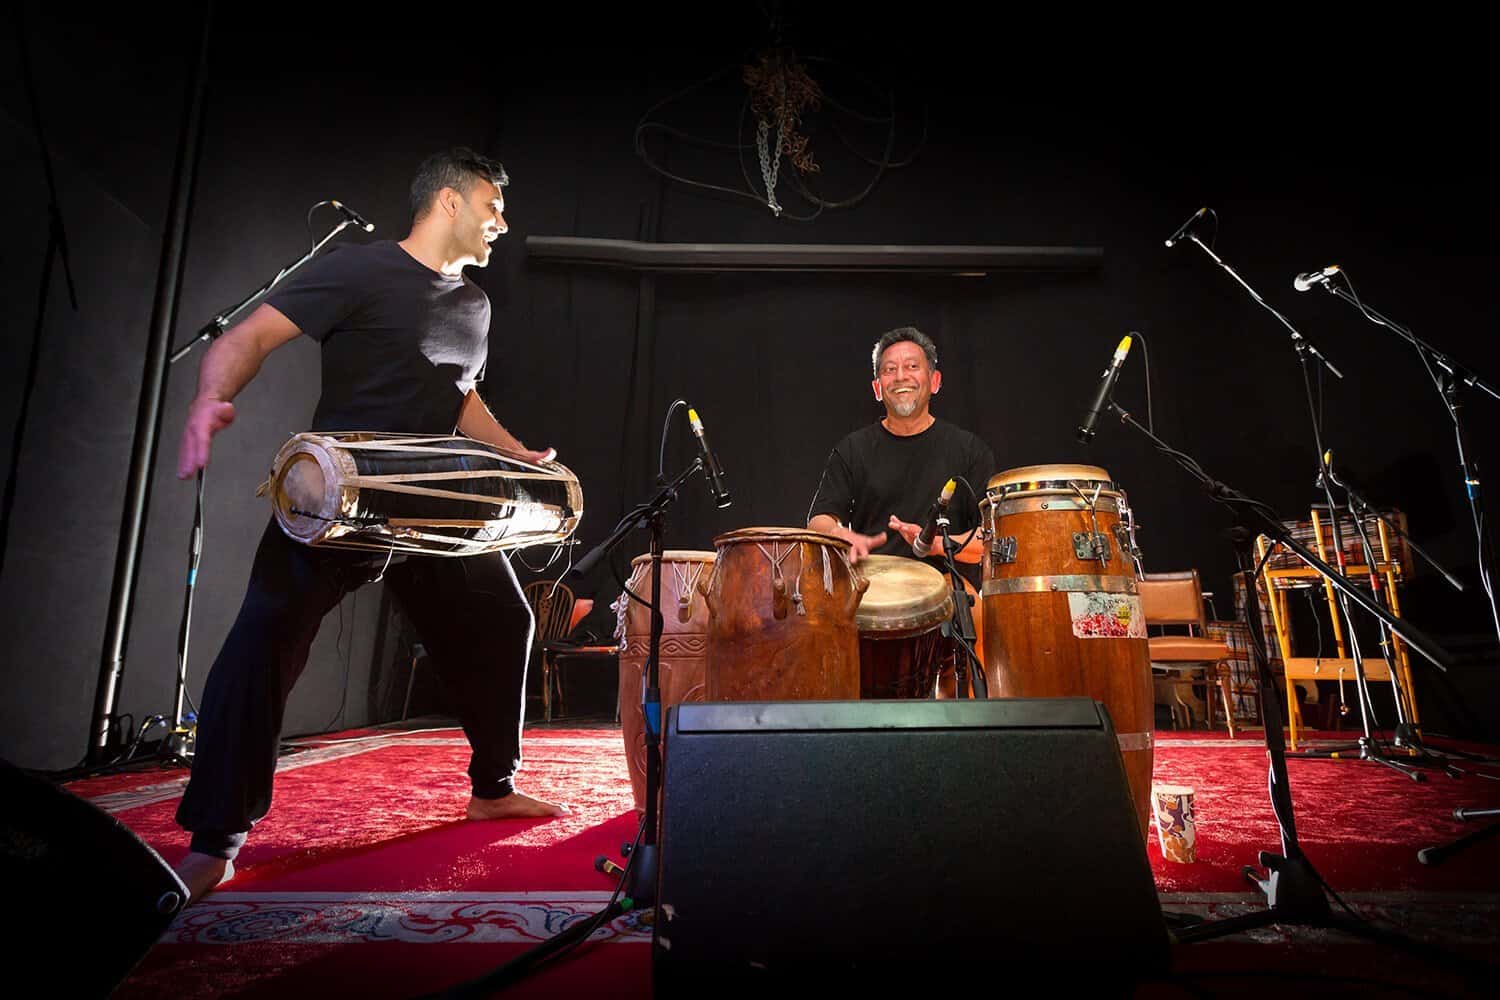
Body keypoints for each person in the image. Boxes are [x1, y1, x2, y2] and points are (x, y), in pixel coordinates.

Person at [171, 148, 566, 903]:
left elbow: (457, 397)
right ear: (448, 201)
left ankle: (492, 786)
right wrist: (208, 399)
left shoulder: (475, 306)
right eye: (494, 206)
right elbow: (246, 339)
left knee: (503, 616)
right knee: (262, 643)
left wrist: (516, 454)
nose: (503, 224)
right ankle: (216, 840)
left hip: (427, 506)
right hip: (337, 498)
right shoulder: (357, 268)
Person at [807, 326, 996, 574]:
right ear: (877, 388)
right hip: (874, 590)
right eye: (889, 370)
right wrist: (837, 533)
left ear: (935, 381)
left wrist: (932, 544)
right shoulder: (852, 450)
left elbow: (992, 537)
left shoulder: (970, 450)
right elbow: (818, 521)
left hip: (950, 589)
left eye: (912, 366)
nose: (900, 377)